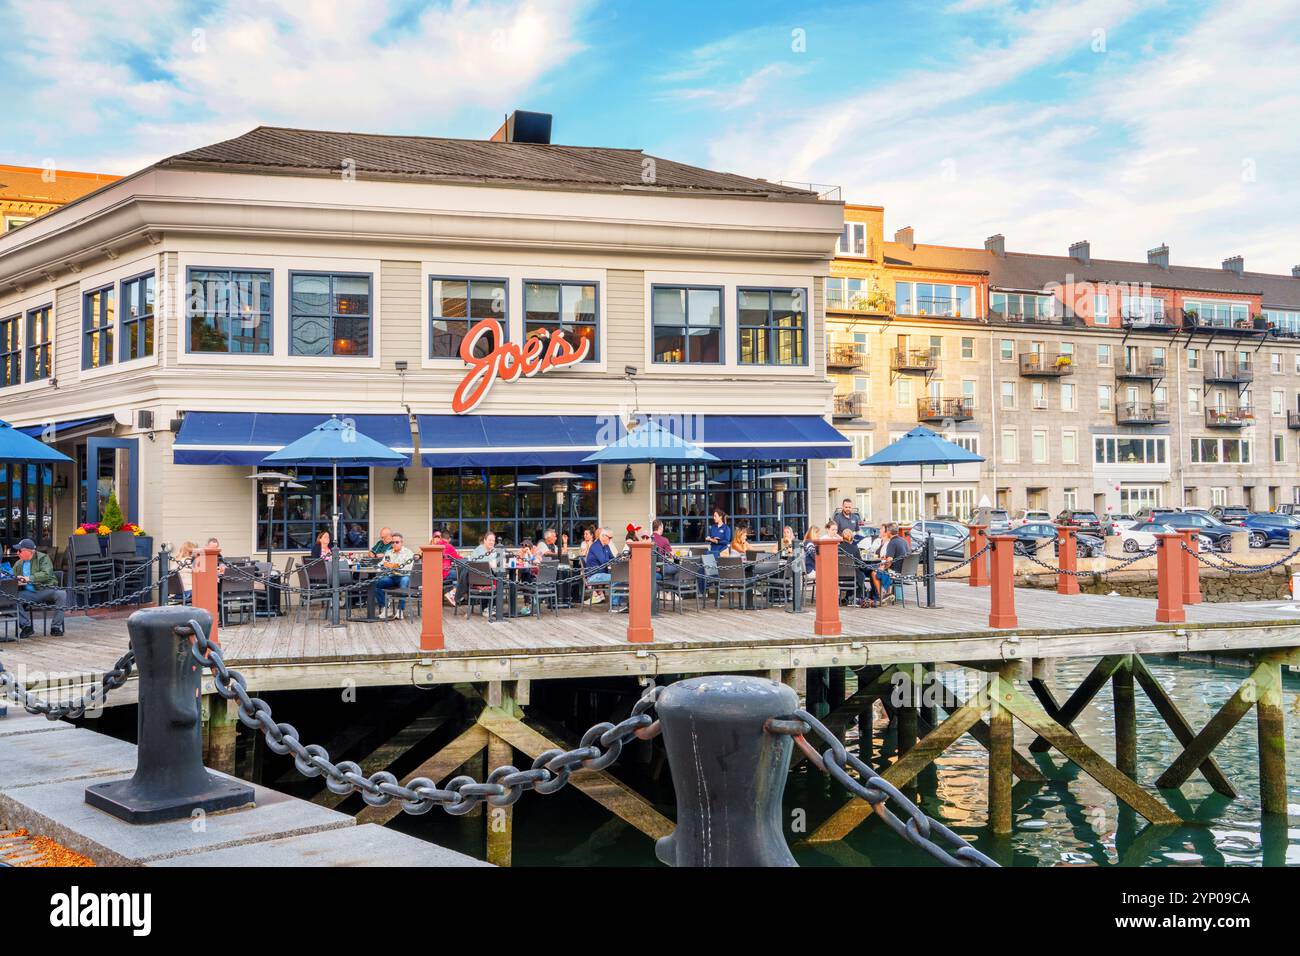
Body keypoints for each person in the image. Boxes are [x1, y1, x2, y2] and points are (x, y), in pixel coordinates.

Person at [7, 539, 65, 638]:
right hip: (29, 593)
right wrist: (16, 580)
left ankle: (55, 627)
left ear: (28, 551)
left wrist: (29, 578)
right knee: (11, 598)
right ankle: (26, 626)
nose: (17, 553)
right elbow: (10, 577)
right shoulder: (18, 563)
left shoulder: (43, 558)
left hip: (46, 590)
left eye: (19, 551)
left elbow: (46, 574)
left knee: (61, 594)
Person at [373, 532, 415, 618]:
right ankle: (386, 608)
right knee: (377, 583)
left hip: (403, 576)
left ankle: (400, 610)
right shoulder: (388, 552)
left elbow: (408, 568)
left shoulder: (408, 552)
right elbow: (381, 564)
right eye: (392, 542)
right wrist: (379, 566)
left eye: (397, 542)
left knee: (404, 581)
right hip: (391, 577)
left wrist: (394, 565)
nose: (394, 544)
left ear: (402, 542)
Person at [583, 527, 619, 606]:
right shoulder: (596, 546)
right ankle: (615, 604)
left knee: (619, 577)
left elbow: (612, 558)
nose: (610, 540)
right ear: (603, 536)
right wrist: (613, 560)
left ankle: (616, 603)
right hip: (593, 576)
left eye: (611, 538)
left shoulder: (606, 546)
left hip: (601, 574)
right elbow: (603, 561)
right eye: (609, 537)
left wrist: (619, 559)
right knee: (617, 578)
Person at [837, 528, 873, 607]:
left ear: (842, 537)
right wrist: (869, 568)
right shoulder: (854, 549)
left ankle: (847, 597)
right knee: (861, 575)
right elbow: (860, 564)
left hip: (839, 578)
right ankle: (857, 598)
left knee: (858, 574)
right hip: (853, 578)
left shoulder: (836, 548)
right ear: (852, 538)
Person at [878, 522, 911, 606]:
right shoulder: (903, 541)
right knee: (882, 571)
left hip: (896, 572)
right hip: (907, 572)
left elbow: (889, 561)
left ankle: (881, 595)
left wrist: (882, 567)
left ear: (888, 532)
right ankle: (887, 593)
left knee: (875, 573)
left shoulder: (892, 543)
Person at [428, 529, 461, 605]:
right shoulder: (449, 546)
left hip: (434, 574)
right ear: (449, 539)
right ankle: (452, 594)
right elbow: (458, 559)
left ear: (441, 537)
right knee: (463, 575)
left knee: (457, 577)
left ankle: (455, 594)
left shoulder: (435, 546)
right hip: (445, 573)